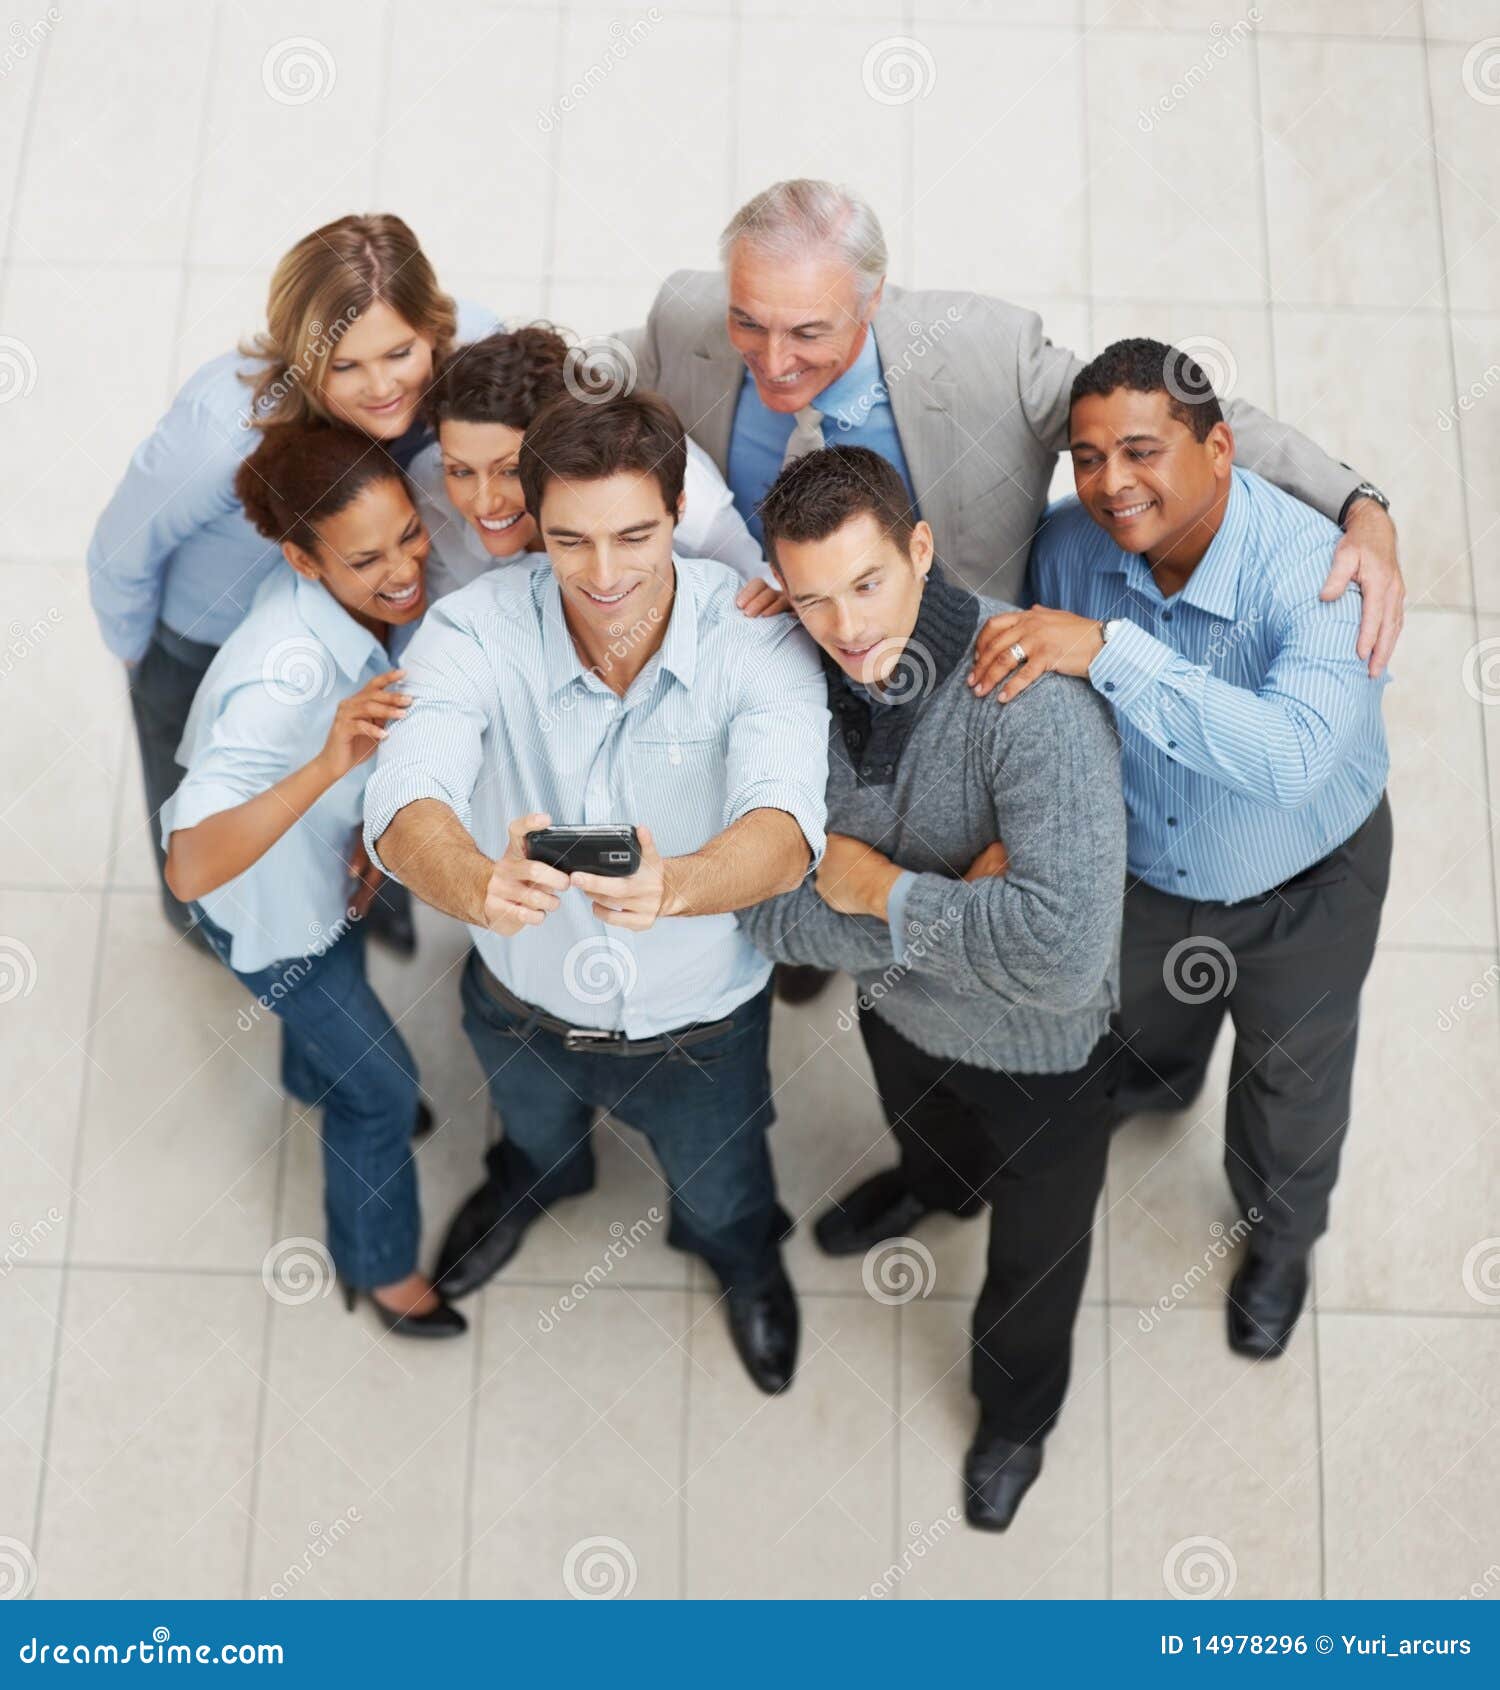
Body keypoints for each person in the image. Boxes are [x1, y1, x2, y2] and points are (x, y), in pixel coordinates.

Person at [623, 177, 1402, 1005]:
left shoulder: (983, 352)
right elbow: (589, 383)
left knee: (938, 878)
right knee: (792, 862)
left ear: (872, 299)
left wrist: (1360, 506)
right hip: (782, 641)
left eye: (809, 332)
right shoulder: (688, 314)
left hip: (959, 679)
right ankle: (816, 935)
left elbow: (1170, 419)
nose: (773, 361)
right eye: (750, 323)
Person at [364, 390, 830, 1394]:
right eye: (571, 540)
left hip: (700, 1013)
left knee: (725, 1187)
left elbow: (786, 834)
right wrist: (474, 879)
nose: (606, 574)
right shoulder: (470, 630)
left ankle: (742, 1257)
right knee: (530, 1135)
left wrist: (680, 885)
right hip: (521, 1000)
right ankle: (538, 1177)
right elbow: (405, 801)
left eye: (636, 535)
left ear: (678, 511)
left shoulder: (758, 639)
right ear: (534, 526)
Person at [971, 338, 1393, 1361]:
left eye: (1143, 450)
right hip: (1146, 874)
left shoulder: (1318, 575)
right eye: (1087, 456)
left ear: (1220, 448)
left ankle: (1282, 1243)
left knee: (1293, 1090)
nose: (1112, 482)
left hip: (1307, 887)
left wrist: (1113, 651)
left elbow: (1289, 758)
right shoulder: (1070, 549)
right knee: (1139, 1020)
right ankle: (1162, 1080)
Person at [738, 445, 1126, 1531]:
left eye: (867, 583)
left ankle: (1017, 1417)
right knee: (923, 1129)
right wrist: (954, 899)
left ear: (920, 549)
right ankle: (936, 1186)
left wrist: (875, 890)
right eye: (812, 600)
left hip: (1046, 1050)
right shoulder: (786, 688)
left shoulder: (1029, 699)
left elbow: (1059, 955)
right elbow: (764, 912)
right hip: (899, 1009)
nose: (849, 629)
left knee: (1035, 1264)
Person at [88, 212, 497, 952]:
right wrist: (137, 655)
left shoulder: (470, 347)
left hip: (370, 627)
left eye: (400, 352)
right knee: (205, 794)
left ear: (433, 329)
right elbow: (120, 549)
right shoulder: (221, 431)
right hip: (205, 642)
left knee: (353, 771)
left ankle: (376, 898)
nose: (381, 388)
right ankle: (205, 926)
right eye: (344, 367)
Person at [161, 425, 463, 1340]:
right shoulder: (280, 679)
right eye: (367, 557)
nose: (406, 566)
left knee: (338, 1022)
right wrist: (331, 765)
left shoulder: (341, 603)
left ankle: (312, 1070)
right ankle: (381, 1268)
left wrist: (363, 828)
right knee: (380, 1088)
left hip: (323, 879)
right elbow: (187, 864)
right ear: (301, 558)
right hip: (272, 917)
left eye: (409, 533)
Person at [407, 324, 778, 604]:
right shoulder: (431, 483)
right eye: (461, 471)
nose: (485, 503)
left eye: (511, 471)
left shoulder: (667, 485)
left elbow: (762, 589)